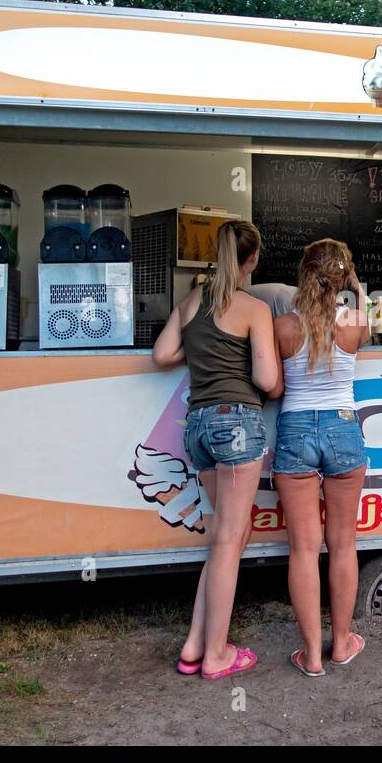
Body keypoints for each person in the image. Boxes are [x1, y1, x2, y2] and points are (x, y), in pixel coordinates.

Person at [152, 220, 280, 680]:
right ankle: (216, 655)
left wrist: (199, 348)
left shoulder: (191, 302)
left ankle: (194, 643)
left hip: (199, 428)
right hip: (237, 425)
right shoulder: (254, 308)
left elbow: (161, 355)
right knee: (229, 538)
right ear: (253, 258)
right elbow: (267, 380)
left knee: (229, 536)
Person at [270, 239, 371, 676]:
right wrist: (358, 290)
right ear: (343, 278)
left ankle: (311, 654)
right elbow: (364, 320)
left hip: (294, 430)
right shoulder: (355, 323)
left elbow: (273, 385)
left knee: (303, 550)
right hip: (343, 428)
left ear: (303, 273)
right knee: (343, 544)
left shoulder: (282, 327)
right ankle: (342, 644)